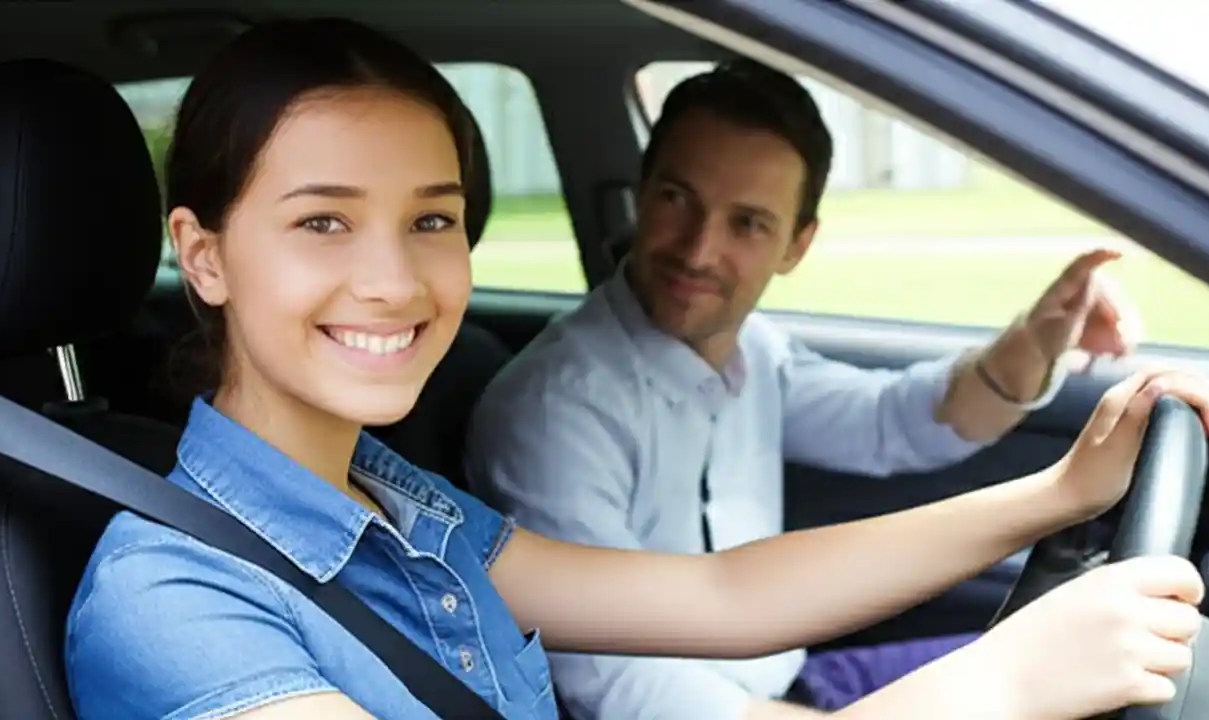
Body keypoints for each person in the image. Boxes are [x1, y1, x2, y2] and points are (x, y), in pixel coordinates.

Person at [62, 18, 1209, 720]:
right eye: (322, 223)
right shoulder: (170, 601)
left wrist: (1058, 492)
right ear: (203, 256)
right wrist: (989, 689)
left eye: (432, 221)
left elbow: (722, 597)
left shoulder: (393, 501)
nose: (395, 283)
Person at [463, 60, 1149, 718]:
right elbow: (607, 682)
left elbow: (891, 424)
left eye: (747, 223)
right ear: (641, 197)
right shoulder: (554, 408)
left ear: (796, 244)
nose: (699, 251)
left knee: (1116, 673)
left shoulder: (752, 351)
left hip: (799, 682)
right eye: (678, 199)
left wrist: (1035, 341)